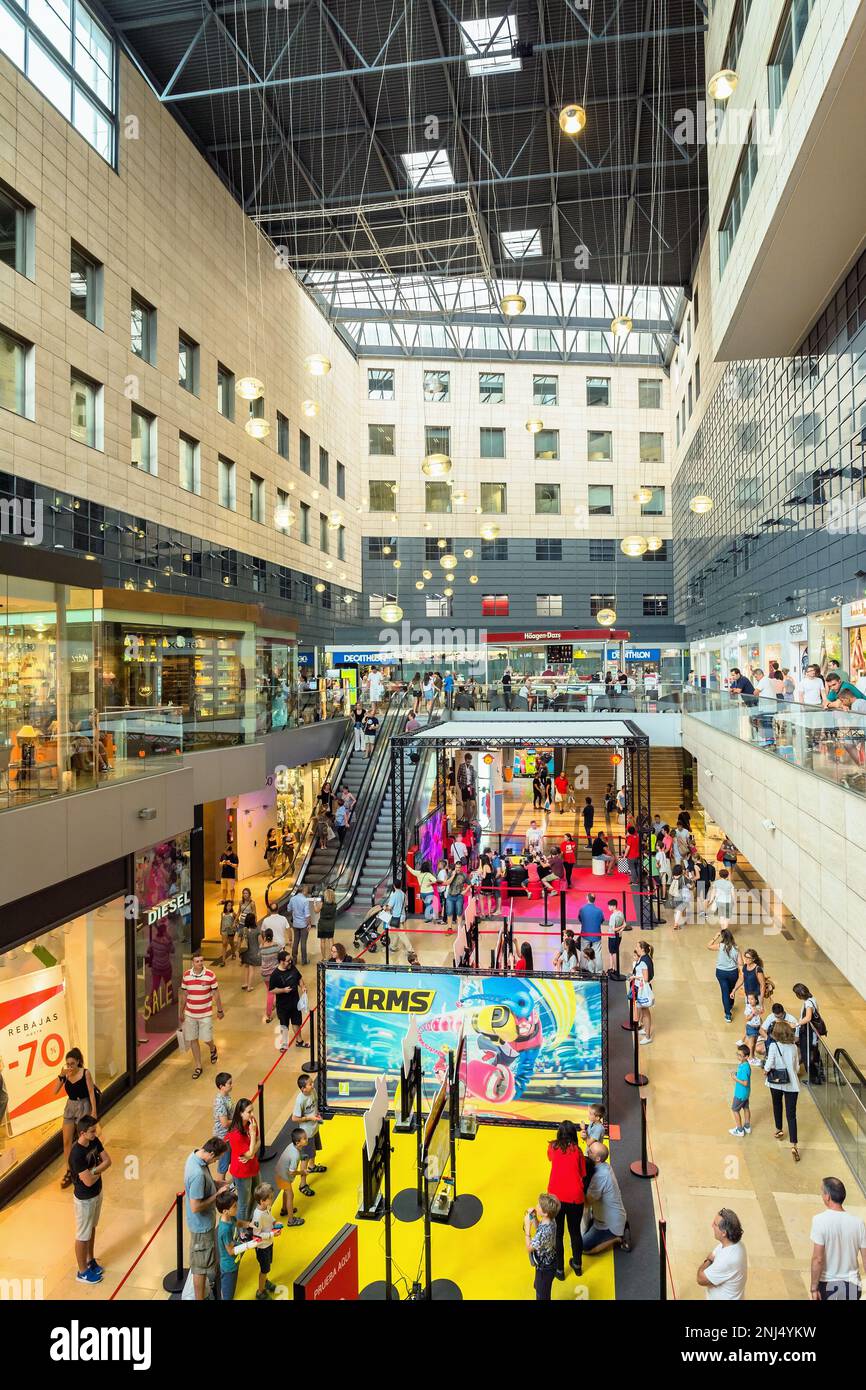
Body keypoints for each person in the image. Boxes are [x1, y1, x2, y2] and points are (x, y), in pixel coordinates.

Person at [183, 1136, 228, 1300]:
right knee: (200, 1268)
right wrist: (217, 1195)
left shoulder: (195, 1156)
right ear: (210, 1153)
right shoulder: (197, 1174)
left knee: (203, 1263)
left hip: (203, 1225)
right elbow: (195, 1206)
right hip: (201, 1228)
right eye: (216, 1158)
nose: (216, 1161)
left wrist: (215, 1183)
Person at [69, 1114, 111, 1285]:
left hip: (96, 1193)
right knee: (82, 1234)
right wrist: (96, 1171)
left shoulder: (94, 1142)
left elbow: (108, 1161)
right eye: (92, 1131)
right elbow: (86, 1182)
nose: (96, 1134)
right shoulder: (76, 1154)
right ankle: (82, 1271)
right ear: (82, 1133)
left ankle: (90, 1260)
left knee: (92, 1228)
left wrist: (93, 1171)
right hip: (84, 1199)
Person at [809, 1177, 866, 1301]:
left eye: (822, 1192)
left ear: (827, 1196)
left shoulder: (819, 1221)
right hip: (852, 1285)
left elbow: (818, 1259)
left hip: (829, 1285)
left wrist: (814, 1287)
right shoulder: (858, 1224)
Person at [55, 1048, 99, 1190]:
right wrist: (61, 1076)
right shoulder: (66, 1074)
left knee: (84, 1139)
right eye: (68, 1064)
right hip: (70, 1106)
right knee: (66, 1140)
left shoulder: (85, 1073)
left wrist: (94, 1112)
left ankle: (87, 1164)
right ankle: (69, 1171)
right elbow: (54, 1091)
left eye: (72, 1064)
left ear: (78, 1062)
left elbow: (92, 1092)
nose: (70, 1067)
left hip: (84, 1105)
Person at [547, 1120, 586, 1279]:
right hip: (575, 1198)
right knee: (575, 1232)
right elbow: (583, 1174)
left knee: (558, 1234)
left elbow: (550, 1158)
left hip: (556, 1198)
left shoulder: (552, 1147)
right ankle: (577, 1265)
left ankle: (559, 1270)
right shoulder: (578, 1151)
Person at [179, 951, 223, 1079]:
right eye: (197, 961)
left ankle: (212, 1048)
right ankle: (198, 1066)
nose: (200, 963)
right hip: (190, 1014)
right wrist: (181, 1011)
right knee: (193, 1040)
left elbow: (216, 994)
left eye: (201, 961)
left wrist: (220, 1010)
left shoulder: (210, 975)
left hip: (205, 1014)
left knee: (206, 1038)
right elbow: (184, 995)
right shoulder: (186, 975)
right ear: (192, 962)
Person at [763, 1020, 801, 1162]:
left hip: (776, 1082)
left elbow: (769, 1063)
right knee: (792, 1115)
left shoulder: (773, 1046)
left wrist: (766, 1071)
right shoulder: (793, 1047)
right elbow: (797, 1068)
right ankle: (794, 1145)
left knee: (777, 1105)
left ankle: (779, 1129)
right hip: (792, 1084)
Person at [582, 1143, 628, 1254]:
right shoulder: (604, 1166)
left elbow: (587, 1202)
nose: (587, 1151)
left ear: (597, 1158)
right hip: (612, 1216)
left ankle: (617, 1238)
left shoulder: (600, 1176)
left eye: (590, 1151)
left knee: (582, 1247)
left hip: (608, 1224)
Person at [696, 1210, 748, 1300]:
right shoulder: (737, 1244)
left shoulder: (727, 1259)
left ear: (724, 1233)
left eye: (715, 1224)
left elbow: (701, 1279)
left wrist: (709, 1260)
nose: (712, 1225)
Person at [226, 1097, 260, 1224]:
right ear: (240, 1113)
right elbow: (250, 1152)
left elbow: (259, 1142)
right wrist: (252, 1135)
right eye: (249, 1112)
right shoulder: (235, 1134)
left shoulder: (252, 1122)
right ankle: (241, 1230)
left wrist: (251, 1153)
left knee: (257, 1194)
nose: (252, 1115)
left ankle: (248, 1220)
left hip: (253, 1166)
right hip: (241, 1171)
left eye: (252, 1111)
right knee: (244, 1202)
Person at [524, 1193, 560, 1300]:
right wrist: (534, 1218)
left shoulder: (544, 1233)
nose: (536, 1206)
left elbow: (529, 1248)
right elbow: (540, 1227)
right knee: (539, 1287)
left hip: (545, 1268)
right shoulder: (551, 1220)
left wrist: (527, 1228)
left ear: (545, 1213)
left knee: (542, 1295)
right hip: (549, 1262)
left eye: (539, 1206)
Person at [292, 1074, 327, 1188]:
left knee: (314, 1151)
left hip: (314, 1128)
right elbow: (294, 1118)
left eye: (312, 1083)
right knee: (305, 1158)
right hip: (306, 1134)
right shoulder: (300, 1100)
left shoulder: (313, 1091)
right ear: (303, 1089)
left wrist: (317, 1116)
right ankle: (303, 1184)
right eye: (310, 1084)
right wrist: (309, 1118)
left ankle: (312, 1167)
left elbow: (315, 1105)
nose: (312, 1085)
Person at [269, 949, 303, 1051]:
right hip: (283, 1005)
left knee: (296, 1022)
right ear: (281, 962)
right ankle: (284, 1043)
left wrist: (303, 986)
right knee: (284, 1025)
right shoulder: (275, 974)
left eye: (290, 960)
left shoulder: (292, 968)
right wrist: (283, 990)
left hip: (295, 1002)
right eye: (288, 961)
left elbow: (299, 978)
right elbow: (272, 990)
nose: (290, 962)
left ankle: (299, 1040)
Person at [275, 1126, 310, 1224]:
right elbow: (291, 1171)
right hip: (283, 1176)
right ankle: (291, 1220)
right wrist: (302, 1172)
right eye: (304, 1139)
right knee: (290, 1195)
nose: (307, 1139)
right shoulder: (295, 1155)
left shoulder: (292, 1145)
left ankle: (284, 1209)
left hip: (279, 1172)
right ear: (298, 1142)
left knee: (286, 1192)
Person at [250, 1182, 278, 1301]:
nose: (272, 1200)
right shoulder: (257, 1216)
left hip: (269, 1243)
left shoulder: (266, 1208)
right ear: (262, 1201)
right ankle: (260, 1291)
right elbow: (257, 1235)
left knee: (268, 1266)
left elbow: (270, 1217)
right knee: (264, 1269)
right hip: (262, 1247)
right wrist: (272, 1233)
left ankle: (265, 1281)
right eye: (270, 1198)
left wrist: (275, 1222)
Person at [792, 982, 826, 1080]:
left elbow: (808, 1018)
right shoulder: (812, 999)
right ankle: (820, 1074)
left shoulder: (808, 1003)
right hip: (812, 1033)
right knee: (815, 1053)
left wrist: (796, 1024)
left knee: (807, 1055)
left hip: (808, 1034)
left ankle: (814, 1078)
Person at [707, 928, 742, 1023]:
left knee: (724, 991)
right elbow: (740, 963)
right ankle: (730, 1004)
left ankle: (728, 1014)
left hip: (721, 972)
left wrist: (716, 936)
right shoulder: (737, 948)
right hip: (733, 973)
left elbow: (708, 946)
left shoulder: (720, 946)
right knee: (731, 990)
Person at [215, 1188, 241, 1301]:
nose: (237, 1207)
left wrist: (250, 1224)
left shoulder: (230, 1218)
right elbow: (230, 1251)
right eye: (235, 1206)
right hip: (229, 1267)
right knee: (227, 1295)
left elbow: (238, 1223)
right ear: (225, 1210)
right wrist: (248, 1245)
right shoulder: (225, 1230)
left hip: (234, 1262)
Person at [632, 942, 655, 1043]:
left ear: (642, 949)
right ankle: (645, 1029)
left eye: (637, 946)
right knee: (643, 1010)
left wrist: (634, 977)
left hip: (643, 989)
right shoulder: (645, 958)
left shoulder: (644, 961)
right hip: (641, 988)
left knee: (645, 1012)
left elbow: (645, 978)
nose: (635, 948)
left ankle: (648, 1036)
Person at [213, 1072, 233, 1179]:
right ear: (221, 1086)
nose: (231, 1085)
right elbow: (224, 1123)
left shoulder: (226, 1096)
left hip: (229, 1134)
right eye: (229, 1083)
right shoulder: (220, 1102)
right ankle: (221, 1188)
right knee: (223, 1164)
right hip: (223, 1137)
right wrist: (237, 1119)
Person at [728, 1044, 752, 1137]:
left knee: (735, 1110)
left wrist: (735, 1078)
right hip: (746, 1093)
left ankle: (739, 1129)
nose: (738, 1057)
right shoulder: (744, 1064)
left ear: (746, 1056)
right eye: (737, 1054)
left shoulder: (744, 1067)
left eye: (740, 1055)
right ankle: (747, 1126)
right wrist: (737, 1074)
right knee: (746, 1108)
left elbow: (745, 1083)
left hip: (740, 1094)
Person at [258, 928, 281, 1024]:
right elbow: (281, 955)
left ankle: (270, 1011)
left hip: (264, 973)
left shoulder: (262, 946)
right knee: (277, 992)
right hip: (275, 973)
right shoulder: (276, 945)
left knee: (270, 992)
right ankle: (275, 1013)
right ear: (272, 936)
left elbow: (259, 954)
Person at [385, 880, 414, 953]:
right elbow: (406, 905)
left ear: (394, 886)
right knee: (396, 932)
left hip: (396, 917)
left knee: (401, 934)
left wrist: (385, 908)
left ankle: (410, 949)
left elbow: (390, 907)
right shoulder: (404, 894)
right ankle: (393, 947)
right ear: (400, 885)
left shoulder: (394, 895)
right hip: (403, 916)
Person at [287, 884, 311, 966]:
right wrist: (309, 924)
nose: (307, 891)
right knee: (303, 942)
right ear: (303, 890)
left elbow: (289, 909)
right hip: (303, 924)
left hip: (295, 924)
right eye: (306, 890)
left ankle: (294, 960)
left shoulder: (292, 899)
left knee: (296, 941)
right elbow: (307, 915)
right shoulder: (305, 900)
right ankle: (304, 960)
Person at [606, 899, 626, 977]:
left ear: (613, 906)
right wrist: (621, 929)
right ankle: (612, 968)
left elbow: (613, 929)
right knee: (612, 952)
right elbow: (624, 923)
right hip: (619, 936)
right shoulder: (621, 913)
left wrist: (621, 927)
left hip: (612, 936)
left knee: (613, 953)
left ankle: (615, 969)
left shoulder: (613, 916)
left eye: (609, 906)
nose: (608, 907)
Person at [457, 752, 477, 821]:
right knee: (465, 804)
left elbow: (473, 778)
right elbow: (458, 777)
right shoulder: (461, 766)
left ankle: (473, 817)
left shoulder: (472, 767)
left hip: (470, 787)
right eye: (468, 760)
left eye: (470, 761)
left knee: (473, 803)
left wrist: (473, 787)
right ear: (465, 760)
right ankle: (465, 817)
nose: (469, 762)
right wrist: (460, 786)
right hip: (464, 787)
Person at [219, 842, 239, 907]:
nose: (226, 853)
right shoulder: (223, 855)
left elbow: (236, 866)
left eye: (227, 852)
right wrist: (222, 863)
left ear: (230, 851)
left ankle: (232, 900)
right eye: (225, 852)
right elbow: (220, 864)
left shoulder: (234, 856)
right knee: (224, 888)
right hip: (224, 875)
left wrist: (230, 864)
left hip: (231, 875)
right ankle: (224, 900)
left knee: (231, 889)